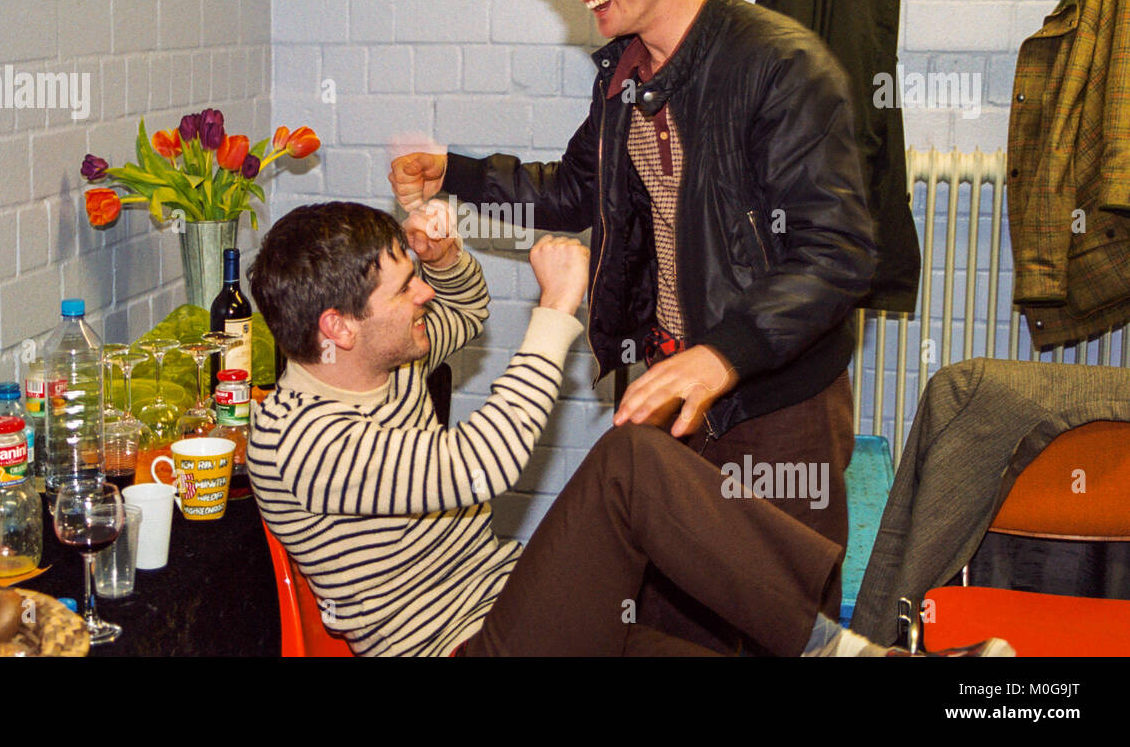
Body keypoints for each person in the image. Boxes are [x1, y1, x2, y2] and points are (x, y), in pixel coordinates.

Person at [388, 0, 876, 629]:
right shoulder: (627, 73)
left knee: (780, 624)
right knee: (667, 625)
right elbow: (580, 189)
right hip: (665, 390)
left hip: (772, 398)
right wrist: (458, 171)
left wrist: (723, 354)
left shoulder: (780, 65)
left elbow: (840, 252)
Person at [244, 201, 1009, 657]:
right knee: (631, 463)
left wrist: (443, 260)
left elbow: (463, 312)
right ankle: (839, 648)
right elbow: (481, 468)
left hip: (512, 606)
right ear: (337, 327)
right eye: (405, 287)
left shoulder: (382, 359)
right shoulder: (301, 439)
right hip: (464, 649)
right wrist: (555, 313)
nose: (421, 299)